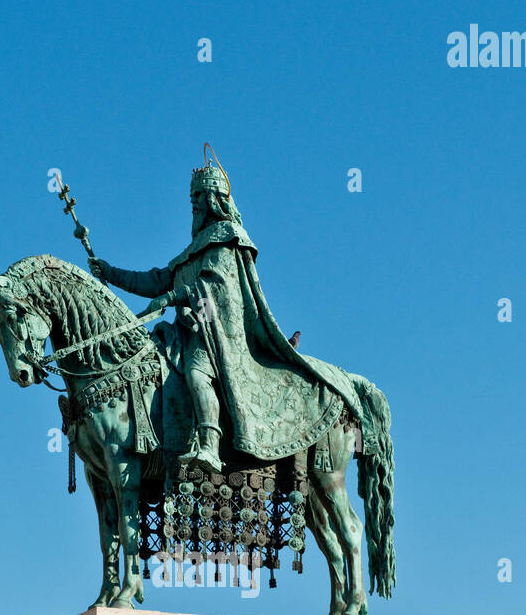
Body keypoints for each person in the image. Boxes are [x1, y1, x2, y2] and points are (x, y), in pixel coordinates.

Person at [88, 152, 366, 478]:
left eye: (198, 197)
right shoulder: (194, 249)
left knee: (195, 373)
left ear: (213, 199)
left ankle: (208, 444)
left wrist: (173, 296)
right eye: (191, 197)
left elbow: (213, 292)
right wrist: (109, 271)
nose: (193, 203)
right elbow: (155, 278)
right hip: (187, 331)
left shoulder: (225, 239)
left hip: (218, 334)